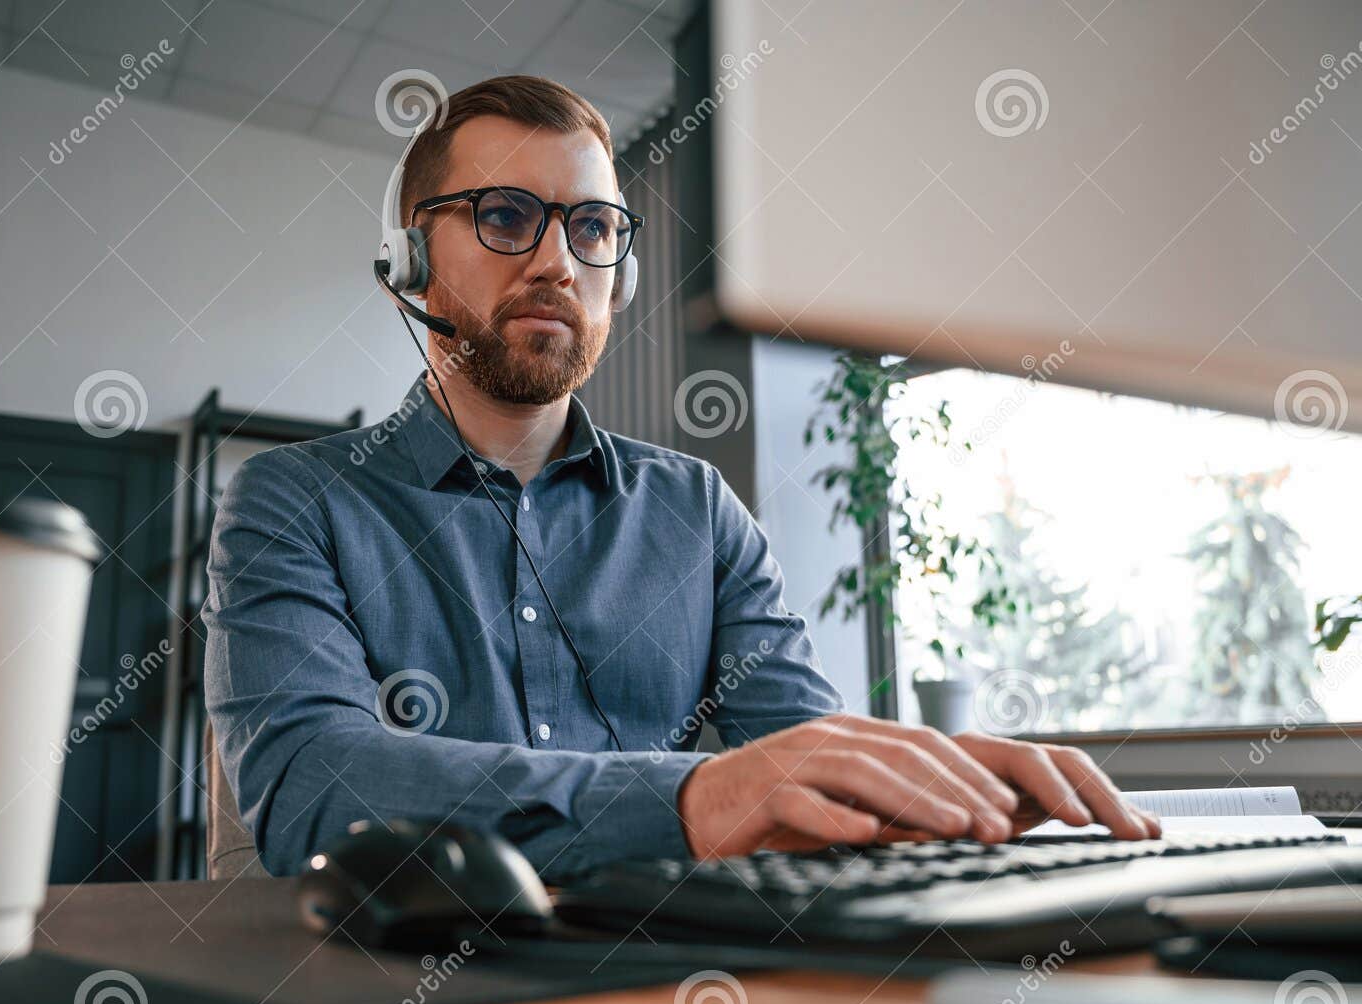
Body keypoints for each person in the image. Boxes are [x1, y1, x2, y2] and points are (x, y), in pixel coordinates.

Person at [203, 75, 1159, 881]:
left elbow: (804, 753)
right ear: (410, 260)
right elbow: (311, 787)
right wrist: (696, 795)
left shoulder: (697, 510)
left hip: (674, 996)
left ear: (617, 272)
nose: (554, 261)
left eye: (591, 227)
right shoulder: (295, 500)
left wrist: (937, 785)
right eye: (504, 217)